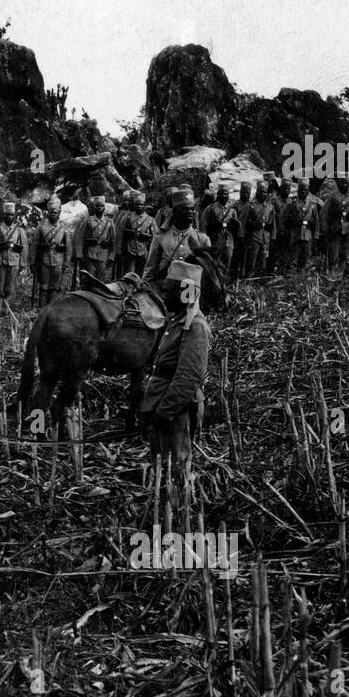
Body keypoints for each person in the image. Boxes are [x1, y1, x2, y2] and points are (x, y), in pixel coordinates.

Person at [140, 258, 211, 486]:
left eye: (170, 290)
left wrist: (165, 411)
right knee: (161, 465)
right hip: (162, 405)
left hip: (175, 410)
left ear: (187, 294)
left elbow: (189, 377)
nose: (164, 295)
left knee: (177, 468)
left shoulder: (195, 327)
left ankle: (178, 511)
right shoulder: (176, 323)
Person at [142, 188, 210, 284]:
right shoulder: (161, 237)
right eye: (186, 209)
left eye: (192, 209)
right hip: (164, 290)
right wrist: (144, 286)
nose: (191, 212)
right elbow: (151, 268)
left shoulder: (202, 239)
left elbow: (207, 274)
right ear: (176, 212)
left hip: (190, 293)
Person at [30, 196, 73, 307]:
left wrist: (67, 264)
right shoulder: (42, 227)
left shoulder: (64, 228)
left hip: (58, 263)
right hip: (44, 262)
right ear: (47, 212)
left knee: (55, 288)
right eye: (50, 212)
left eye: (55, 212)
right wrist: (32, 262)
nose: (52, 214)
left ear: (59, 211)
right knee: (43, 288)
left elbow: (68, 249)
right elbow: (34, 245)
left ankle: (52, 310)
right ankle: (42, 310)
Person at [0, 201, 26, 315]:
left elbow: (24, 248)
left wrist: (23, 263)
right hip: (0, 262)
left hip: (14, 263)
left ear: (14, 216)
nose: (9, 217)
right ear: (3, 215)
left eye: (11, 215)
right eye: (7, 215)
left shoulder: (19, 231)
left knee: (9, 289)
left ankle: (6, 312)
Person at [321, 177, 349, 274]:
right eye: (342, 183)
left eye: (346, 183)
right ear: (339, 184)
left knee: (345, 251)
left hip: (348, 228)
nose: (344, 185)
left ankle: (341, 271)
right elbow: (324, 213)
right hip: (335, 227)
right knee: (334, 250)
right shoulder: (333, 197)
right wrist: (324, 228)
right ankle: (333, 270)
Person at [77, 196, 114, 284]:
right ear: (94, 207)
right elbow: (80, 238)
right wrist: (79, 254)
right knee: (89, 278)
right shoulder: (88, 221)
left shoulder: (109, 222)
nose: (99, 208)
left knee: (101, 281)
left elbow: (112, 241)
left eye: (101, 206)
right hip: (90, 253)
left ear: (104, 207)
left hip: (103, 253)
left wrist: (111, 256)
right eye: (97, 206)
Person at [199, 185, 238, 270]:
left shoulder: (232, 210)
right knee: (213, 264)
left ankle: (223, 282)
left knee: (226, 263)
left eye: (226, 194)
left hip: (228, 241)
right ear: (218, 195)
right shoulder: (210, 208)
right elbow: (203, 225)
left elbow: (236, 228)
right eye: (223, 194)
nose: (225, 196)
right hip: (214, 241)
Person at [242, 181, 276, 278]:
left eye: (265, 192)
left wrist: (273, 237)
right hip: (253, 238)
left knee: (263, 263)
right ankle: (248, 282)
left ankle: (259, 284)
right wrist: (241, 237)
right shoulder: (250, 206)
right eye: (261, 192)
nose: (263, 194)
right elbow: (242, 222)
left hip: (265, 239)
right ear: (257, 192)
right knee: (251, 263)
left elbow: (273, 224)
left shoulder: (270, 207)